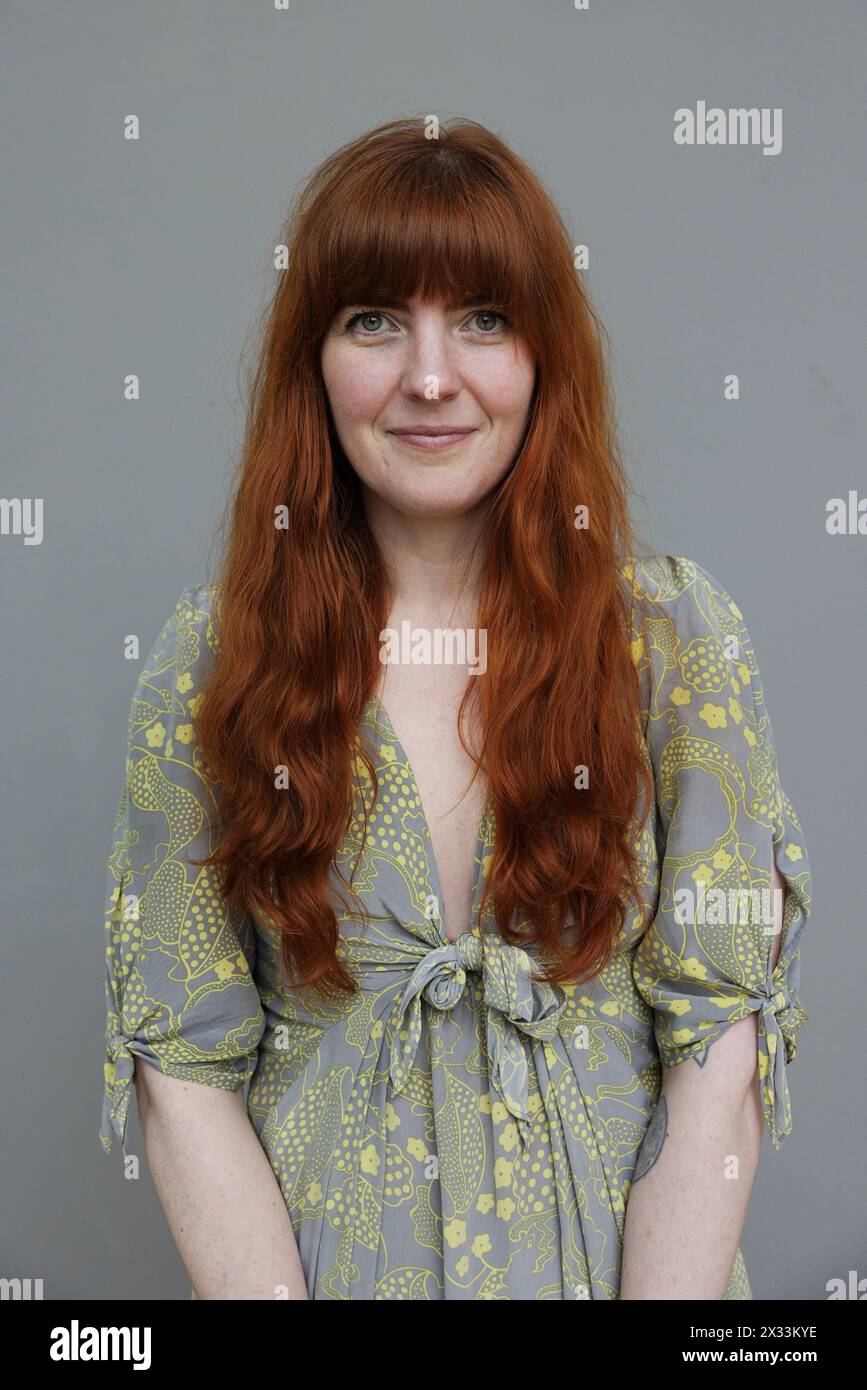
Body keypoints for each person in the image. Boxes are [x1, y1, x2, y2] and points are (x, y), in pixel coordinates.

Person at [99, 117, 811, 1301]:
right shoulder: (209, 658)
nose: (431, 376)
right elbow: (182, 1062)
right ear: (312, 364)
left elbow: (717, 1047)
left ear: (544, 356)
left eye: (484, 317)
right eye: (374, 319)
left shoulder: (675, 643)